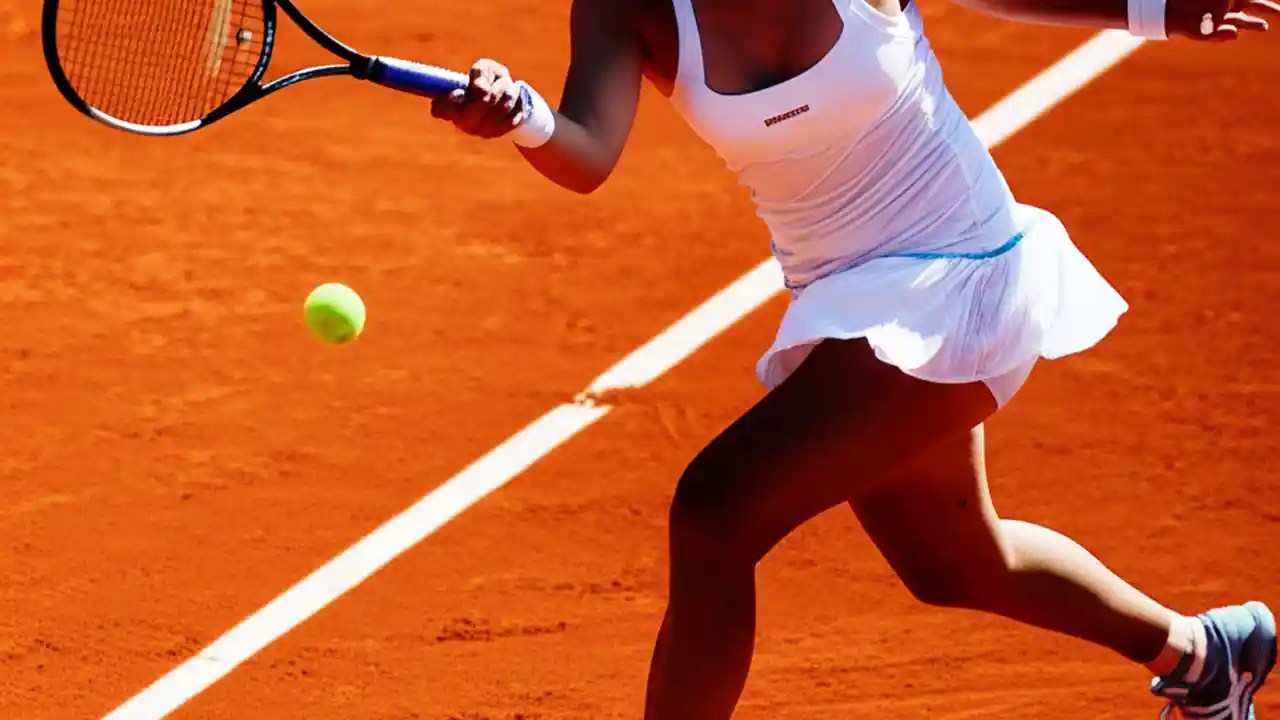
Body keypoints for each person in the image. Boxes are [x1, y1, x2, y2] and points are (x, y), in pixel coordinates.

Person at [427, 0, 1278, 716]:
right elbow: (586, 153)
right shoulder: (627, 6)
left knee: (716, 513)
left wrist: (1148, 9)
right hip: (845, 297)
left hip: (961, 267)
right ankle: (1208, 654)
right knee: (954, 562)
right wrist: (522, 117)